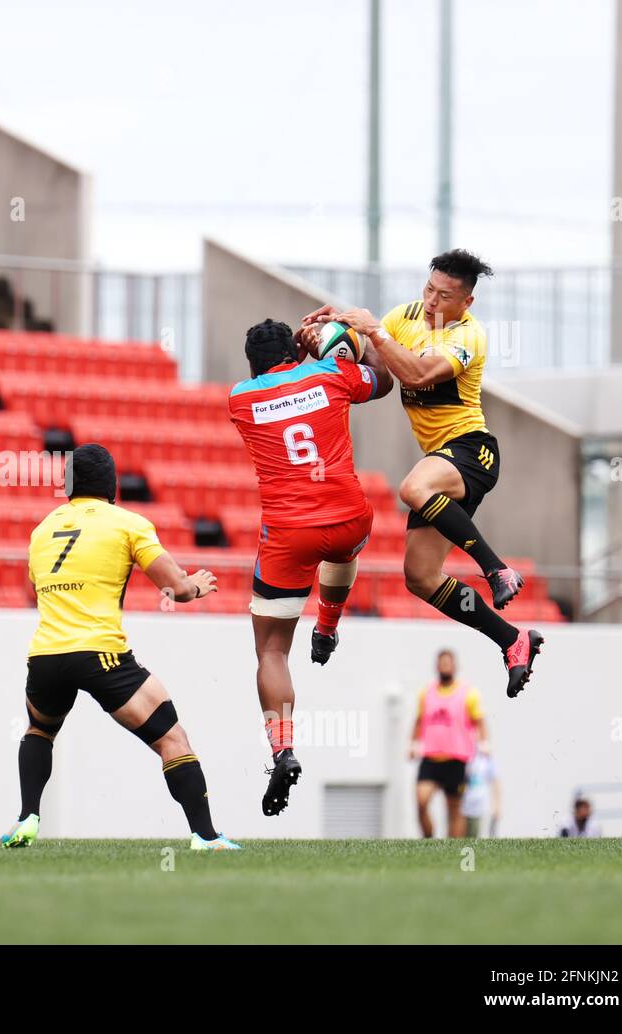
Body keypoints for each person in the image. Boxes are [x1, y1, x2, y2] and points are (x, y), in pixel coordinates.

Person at [303, 250, 544, 698]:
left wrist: (373, 328)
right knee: (420, 577)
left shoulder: (468, 337)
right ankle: (513, 640)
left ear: (466, 303)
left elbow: (415, 374)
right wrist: (330, 338)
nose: (431, 301)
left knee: (413, 487)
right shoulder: (407, 316)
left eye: (444, 295)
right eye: (428, 288)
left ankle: (496, 570)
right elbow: (385, 371)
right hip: (441, 457)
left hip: (473, 452)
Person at [2, 442, 240, 852]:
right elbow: (175, 588)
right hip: (101, 654)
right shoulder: (127, 524)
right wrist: (194, 586)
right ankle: (205, 836)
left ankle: (26, 818)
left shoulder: (40, 531)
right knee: (173, 739)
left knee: (40, 729)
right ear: (112, 484)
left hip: (45, 655)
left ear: (67, 485)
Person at [228, 318, 393, 816]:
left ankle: (283, 748)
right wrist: (349, 342)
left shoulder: (240, 398)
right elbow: (383, 378)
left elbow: (274, 390)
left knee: (272, 652)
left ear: (251, 364)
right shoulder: (330, 373)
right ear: (295, 352)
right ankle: (328, 627)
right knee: (344, 551)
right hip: (348, 516)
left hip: (287, 533)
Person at [408, 648, 487, 838]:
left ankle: (453, 848)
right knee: (421, 800)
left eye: (448, 663)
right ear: (437, 666)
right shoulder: (426, 693)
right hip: (431, 757)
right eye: (442, 663)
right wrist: (413, 743)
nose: (445, 667)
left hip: (456, 757)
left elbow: (480, 722)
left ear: (455, 666)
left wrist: (484, 743)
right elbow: (419, 721)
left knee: (454, 808)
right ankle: (429, 840)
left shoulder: (468, 693)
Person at [461, 745, 501, 838]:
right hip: (464, 807)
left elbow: (495, 782)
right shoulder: (462, 757)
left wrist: (497, 806)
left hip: (482, 807)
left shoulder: (486, 759)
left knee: (481, 836)